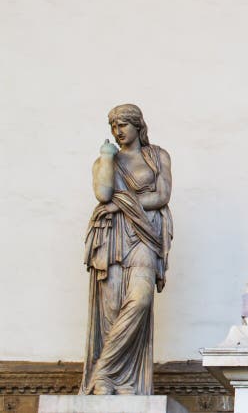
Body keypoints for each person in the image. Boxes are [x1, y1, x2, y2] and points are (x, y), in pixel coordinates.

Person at [81, 104, 173, 395]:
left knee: (140, 300)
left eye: (123, 124)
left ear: (137, 125)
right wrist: (107, 158)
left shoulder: (157, 156)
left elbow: (161, 195)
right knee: (111, 311)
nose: (117, 131)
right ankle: (113, 381)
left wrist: (122, 203)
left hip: (144, 234)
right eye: (113, 126)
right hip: (111, 237)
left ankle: (102, 371)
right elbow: (103, 194)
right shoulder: (104, 161)